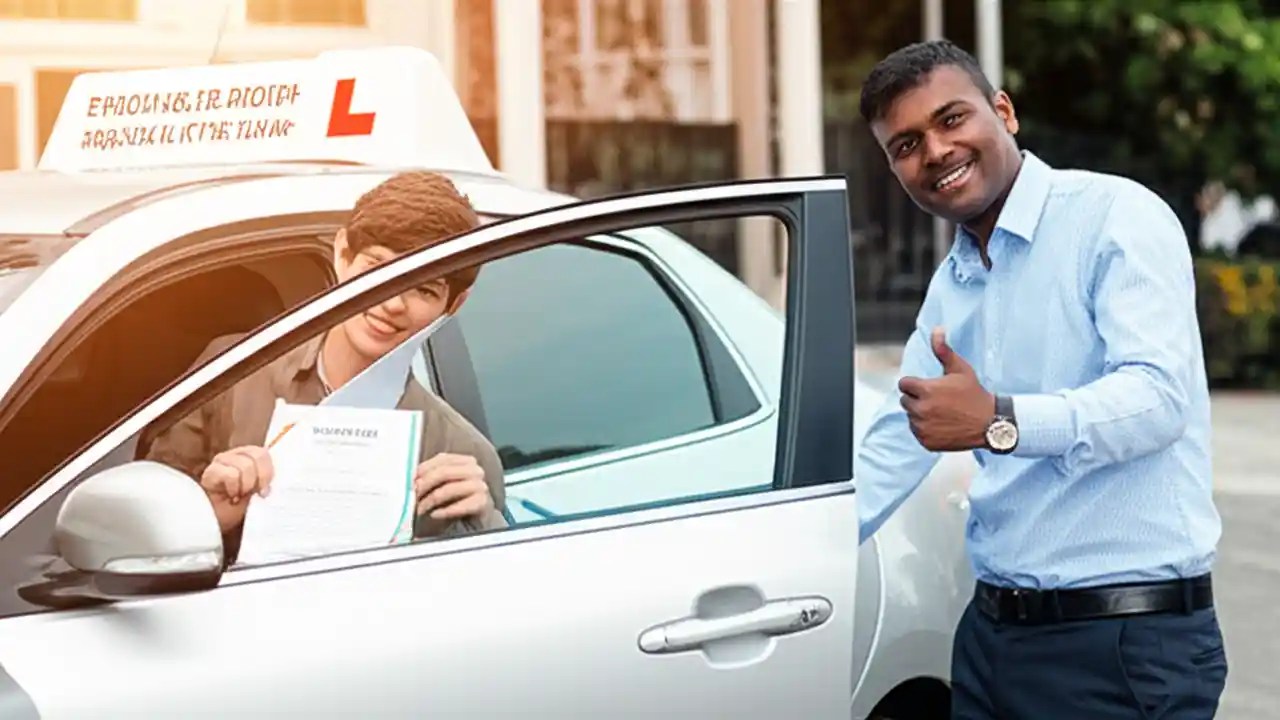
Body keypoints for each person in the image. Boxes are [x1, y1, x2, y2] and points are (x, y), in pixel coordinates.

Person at [855, 40, 1226, 718]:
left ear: (1004, 111)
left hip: (1122, 645)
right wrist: (780, 546)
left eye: (951, 119)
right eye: (904, 145)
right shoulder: (956, 278)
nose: (934, 151)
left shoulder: (1115, 216)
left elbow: (1158, 399)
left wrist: (1000, 420)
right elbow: (898, 435)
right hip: (992, 638)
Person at [144, 171, 507, 566]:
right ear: (342, 254)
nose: (392, 303)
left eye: (424, 289)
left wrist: (484, 524)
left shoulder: (462, 451)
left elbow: (494, 601)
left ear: (454, 305)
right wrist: (209, 518)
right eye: (379, 268)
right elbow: (140, 536)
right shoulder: (229, 373)